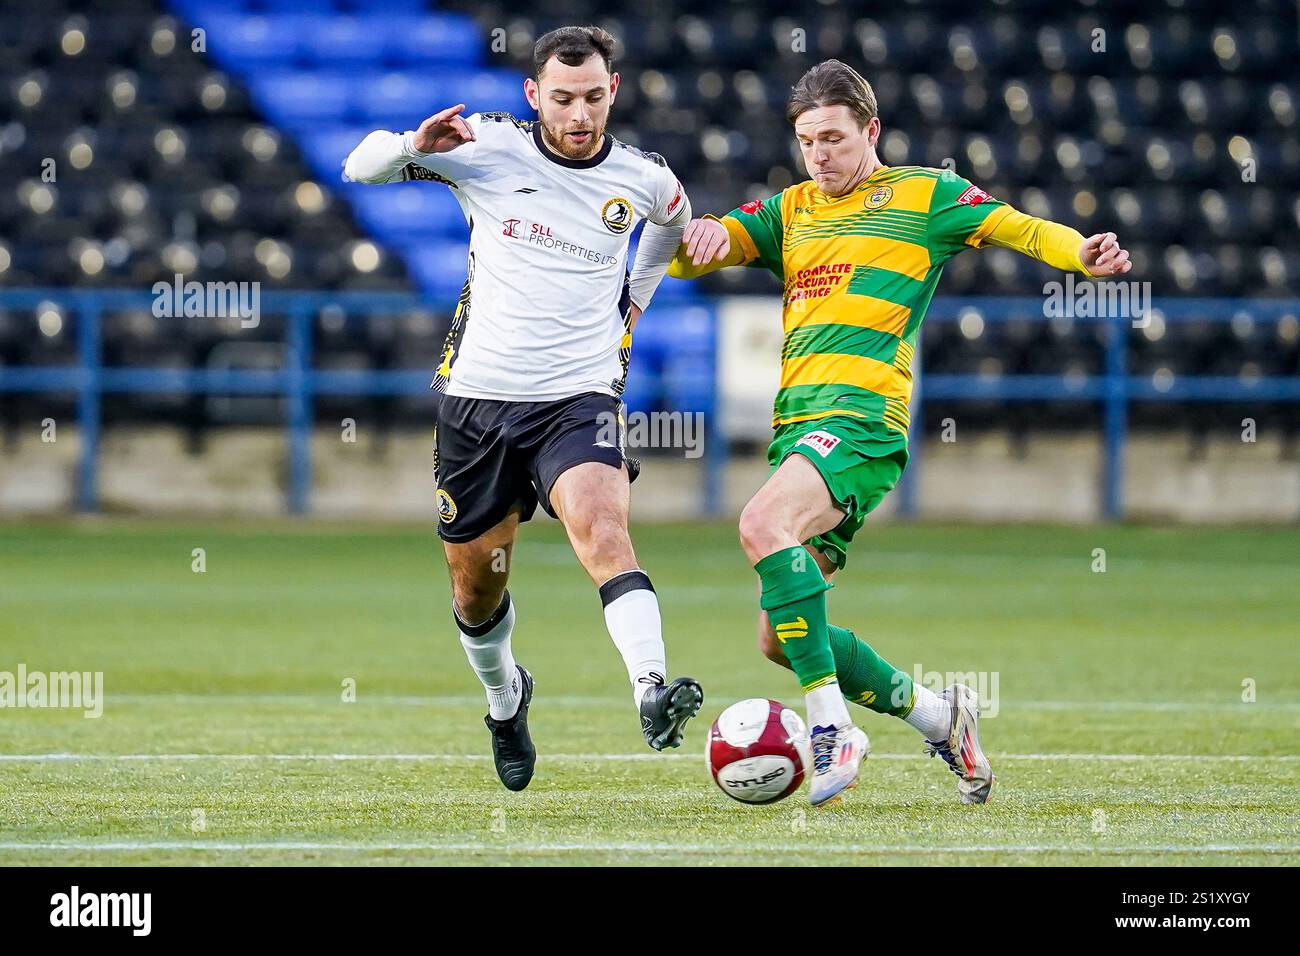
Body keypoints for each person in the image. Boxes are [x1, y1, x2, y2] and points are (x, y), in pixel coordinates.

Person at [670, 59, 1131, 806]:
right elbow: (696, 256)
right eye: (806, 140)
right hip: (800, 434)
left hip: (862, 423)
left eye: (833, 138)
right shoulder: (792, 211)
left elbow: (1020, 227)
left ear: (871, 130)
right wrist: (684, 231)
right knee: (777, 637)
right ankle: (942, 716)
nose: (818, 155)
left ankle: (832, 728)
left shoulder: (926, 196)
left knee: (760, 521)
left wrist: (1081, 252)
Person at [344, 26, 703, 792]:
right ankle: (506, 700)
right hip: (478, 403)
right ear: (534, 95)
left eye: (595, 97)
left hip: (578, 398)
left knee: (604, 530)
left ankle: (652, 691)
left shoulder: (643, 178)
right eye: (564, 98)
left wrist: (632, 303)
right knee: (478, 588)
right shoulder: (487, 149)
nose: (580, 115)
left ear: (615, 93)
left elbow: (673, 221)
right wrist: (414, 143)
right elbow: (359, 166)